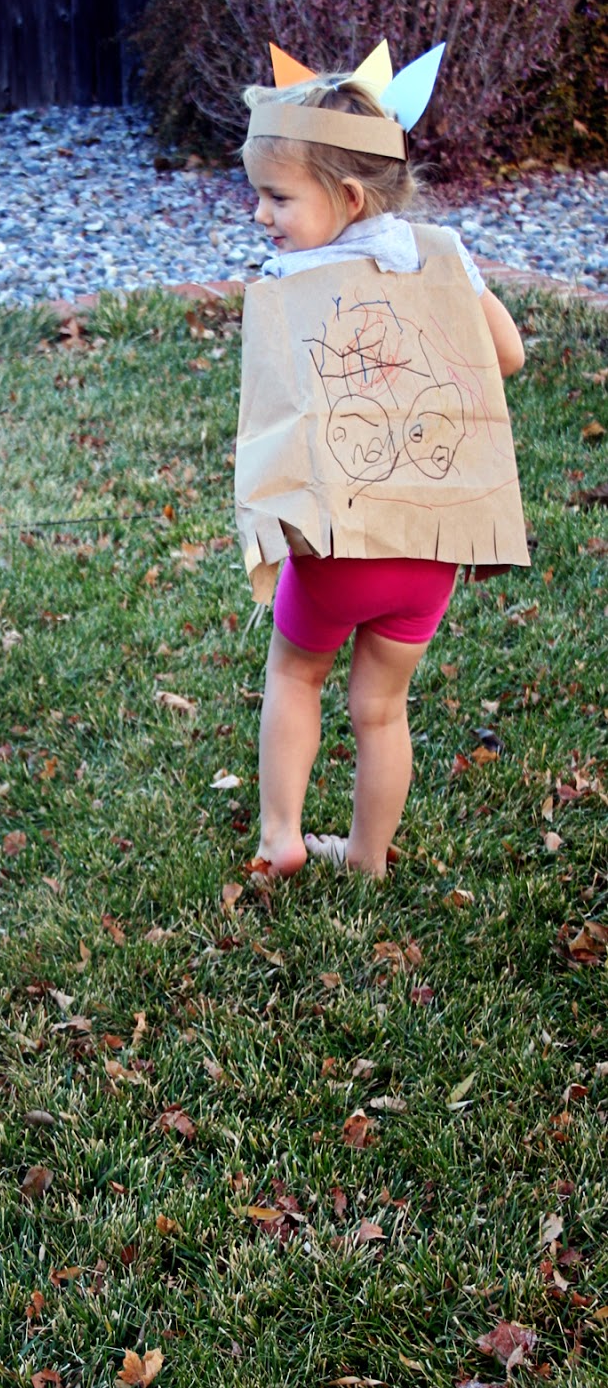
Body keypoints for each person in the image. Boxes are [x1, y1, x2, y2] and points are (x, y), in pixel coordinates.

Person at [235, 64, 527, 879]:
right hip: (432, 545)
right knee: (382, 710)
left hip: (341, 544)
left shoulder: (297, 283)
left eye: (278, 198)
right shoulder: (443, 257)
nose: (261, 214)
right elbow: (508, 355)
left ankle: (282, 838)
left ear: (350, 200)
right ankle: (366, 858)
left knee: (296, 675)